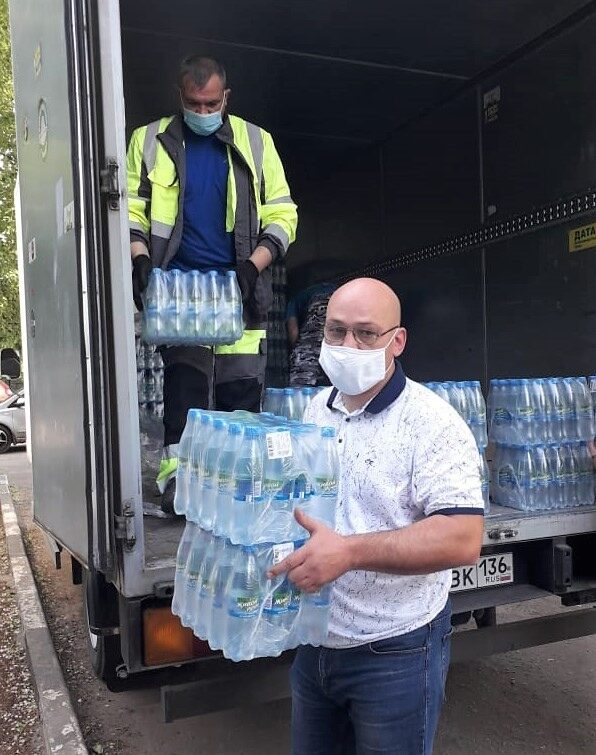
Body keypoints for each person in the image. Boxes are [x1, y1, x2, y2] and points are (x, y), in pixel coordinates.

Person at [269, 277, 485, 754]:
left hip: (394, 650)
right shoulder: (314, 411)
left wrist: (348, 553)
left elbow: (462, 538)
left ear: (397, 341)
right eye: (336, 331)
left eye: (366, 334)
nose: (348, 345)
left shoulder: (431, 423)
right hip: (316, 642)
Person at [126, 56, 297, 512]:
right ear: (179, 97)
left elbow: (284, 215)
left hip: (239, 293)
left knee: (239, 398)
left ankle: (235, 492)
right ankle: (181, 487)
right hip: (183, 294)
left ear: (227, 97)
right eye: (193, 104)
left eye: (211, 104)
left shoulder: (257, 142)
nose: (203, 113)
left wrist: (252, 266)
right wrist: (140, 262)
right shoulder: (149, 141)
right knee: (186, 390)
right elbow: (131, 212)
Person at [287, 280, 337, 386]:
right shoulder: (342, 293)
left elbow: (293, 331)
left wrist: (297, 350)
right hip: (337, 347)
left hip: (310, 346)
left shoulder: (296, 299)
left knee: (301, 390)